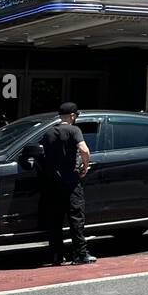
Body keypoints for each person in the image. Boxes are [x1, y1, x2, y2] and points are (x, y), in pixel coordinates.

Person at [39, 101, 95, 266]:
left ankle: (57, 256)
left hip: (52, 183)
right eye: (76, 116)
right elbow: (84, 150)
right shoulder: (74, 130)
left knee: (55, 220)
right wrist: (85, 167)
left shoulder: (48, 133)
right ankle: (80, 254)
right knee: (76, 218)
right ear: (72, 116)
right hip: (71, 182)